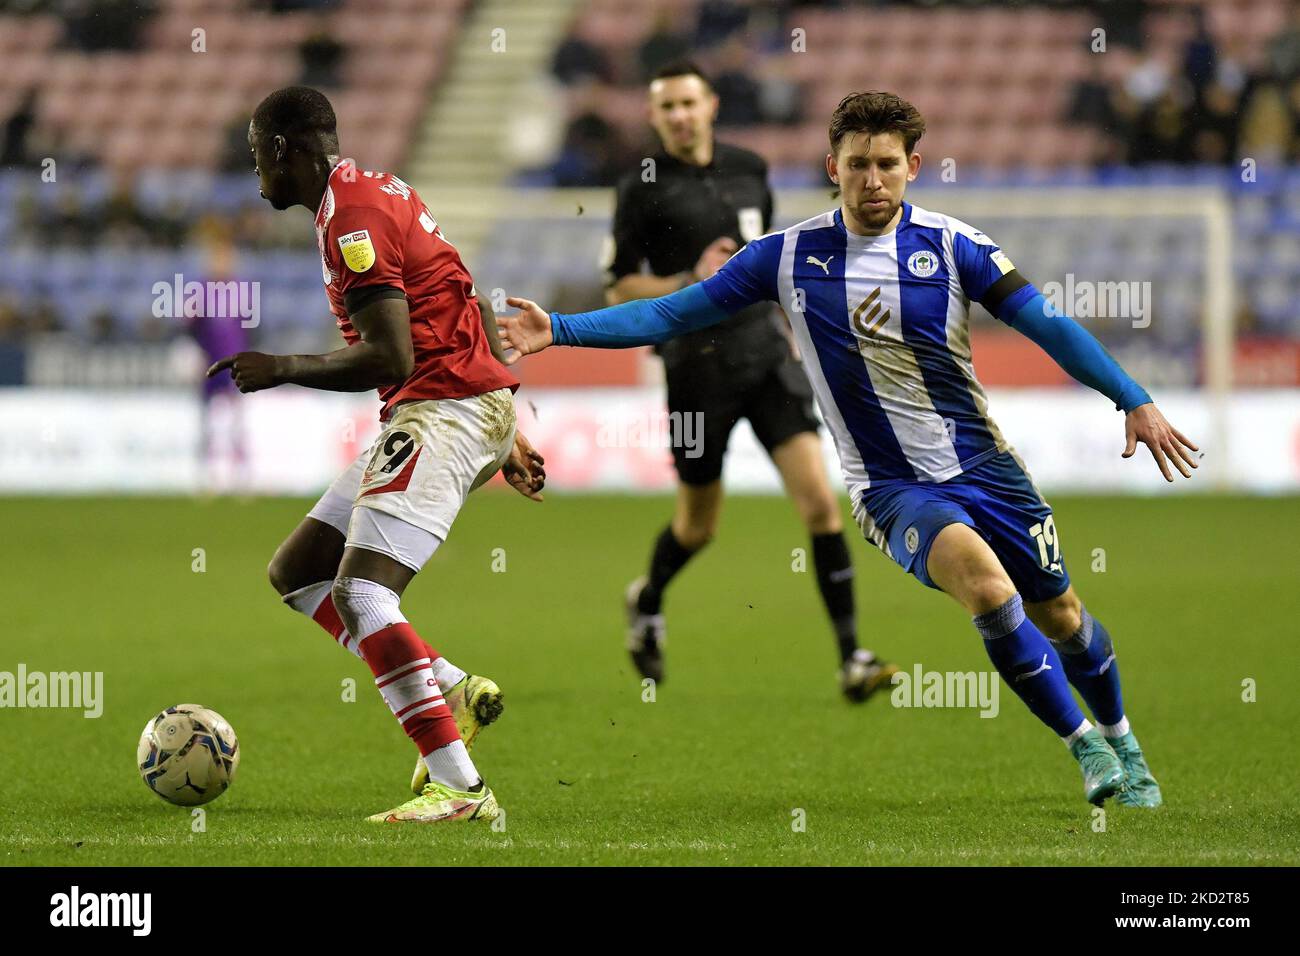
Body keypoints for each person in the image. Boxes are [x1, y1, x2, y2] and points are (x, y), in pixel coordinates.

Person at [498, 91, 1200, 807]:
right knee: (989, 591)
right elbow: (673, 312)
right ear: (832, 166)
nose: (873, 181)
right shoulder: (785, 257)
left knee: (1064, 617)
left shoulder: (956, 247)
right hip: (892, 489)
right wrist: (558, 326)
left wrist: (1132, 397)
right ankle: (1084, 746)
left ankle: (1123, 740)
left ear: (914, 167)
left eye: (887, 165)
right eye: (858, 164)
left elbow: (1048, 327)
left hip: (989, 470)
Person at [209, 86, 546, 823]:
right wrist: (506, 420)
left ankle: (459, 786)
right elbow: (466, 291)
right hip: (458, 402)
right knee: (299, 573)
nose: (254, 174)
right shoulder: (374, 188)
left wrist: (286, 367)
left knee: (363, 595)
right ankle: (446, 682)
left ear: (280, 149)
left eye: (254, 155)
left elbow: (389, 354)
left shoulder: (352, 219)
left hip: (441, 409)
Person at [607, 62, 895, 700]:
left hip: (764, 355)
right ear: (655, 118)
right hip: (694, 366)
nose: (680, 115)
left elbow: (766, 260)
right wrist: (691, 283)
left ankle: (852, 657)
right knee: (698, 527)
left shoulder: (749, 168)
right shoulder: (640, 187)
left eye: (689, 102)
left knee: (821, 504)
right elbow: (620, 285)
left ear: (710, 105)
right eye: (667, 107)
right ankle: (647, 601)